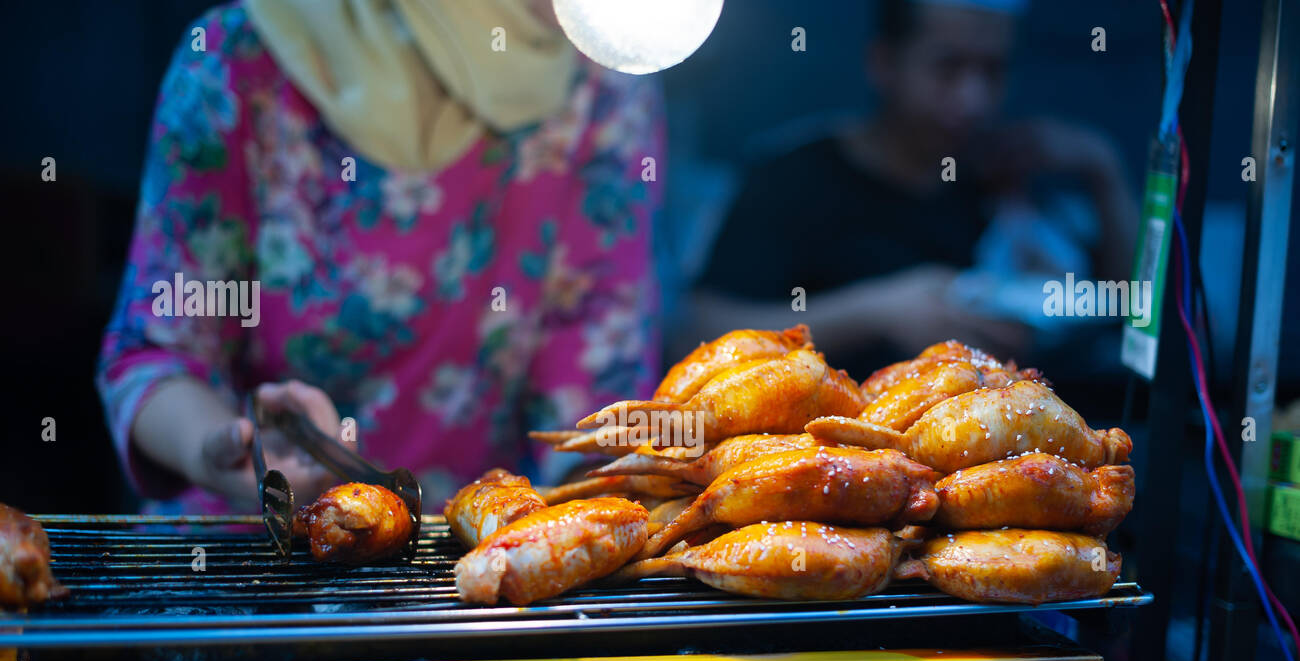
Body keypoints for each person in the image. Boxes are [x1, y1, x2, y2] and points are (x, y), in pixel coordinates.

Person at [98, 0, 663, 514]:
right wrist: (218, 447)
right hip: (244, 573)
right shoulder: (239, 61)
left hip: (478, 585)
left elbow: (593, 402)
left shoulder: (608, 86)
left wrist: (617, 496)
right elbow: (154, 354)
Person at [692, 0, 1137, 371]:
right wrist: (875, 313)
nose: (973, 99)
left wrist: (1104, 172)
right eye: (948, 67)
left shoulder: (1009, 175)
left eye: (993, 71)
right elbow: (695, 334)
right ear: (884, 63)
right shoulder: (794, 177)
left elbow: (1136, 315)